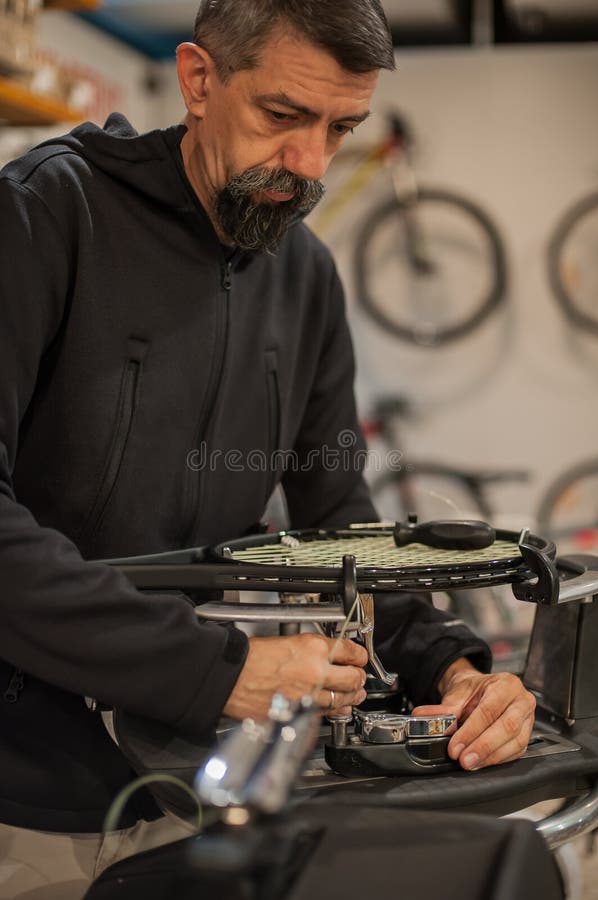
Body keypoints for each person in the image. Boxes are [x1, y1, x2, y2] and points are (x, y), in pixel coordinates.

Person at [0, 1, 535, 897]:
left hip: (213, 785)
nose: (310, 164)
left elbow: (338, 523)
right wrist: (219, 671)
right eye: (282, 117)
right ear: (199, 78)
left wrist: (454, 665)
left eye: (340, 128)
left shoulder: (306, 275)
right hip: (28, 800)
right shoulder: (48, 214)